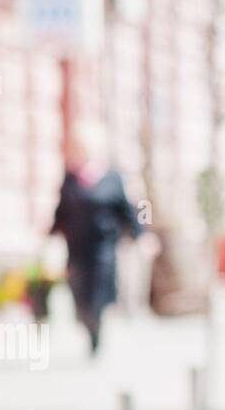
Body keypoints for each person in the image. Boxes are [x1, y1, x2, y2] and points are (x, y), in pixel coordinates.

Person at [49, 125, 152, 356]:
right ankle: (88, 326)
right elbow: (61, 212)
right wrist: (50, 234)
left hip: (103, 248)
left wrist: (142, 236)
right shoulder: (70, 178)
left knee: (99, 294)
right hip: (76, 248)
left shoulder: (112, 178)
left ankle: (96, 331)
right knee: (78, 293)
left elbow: (127, 211)